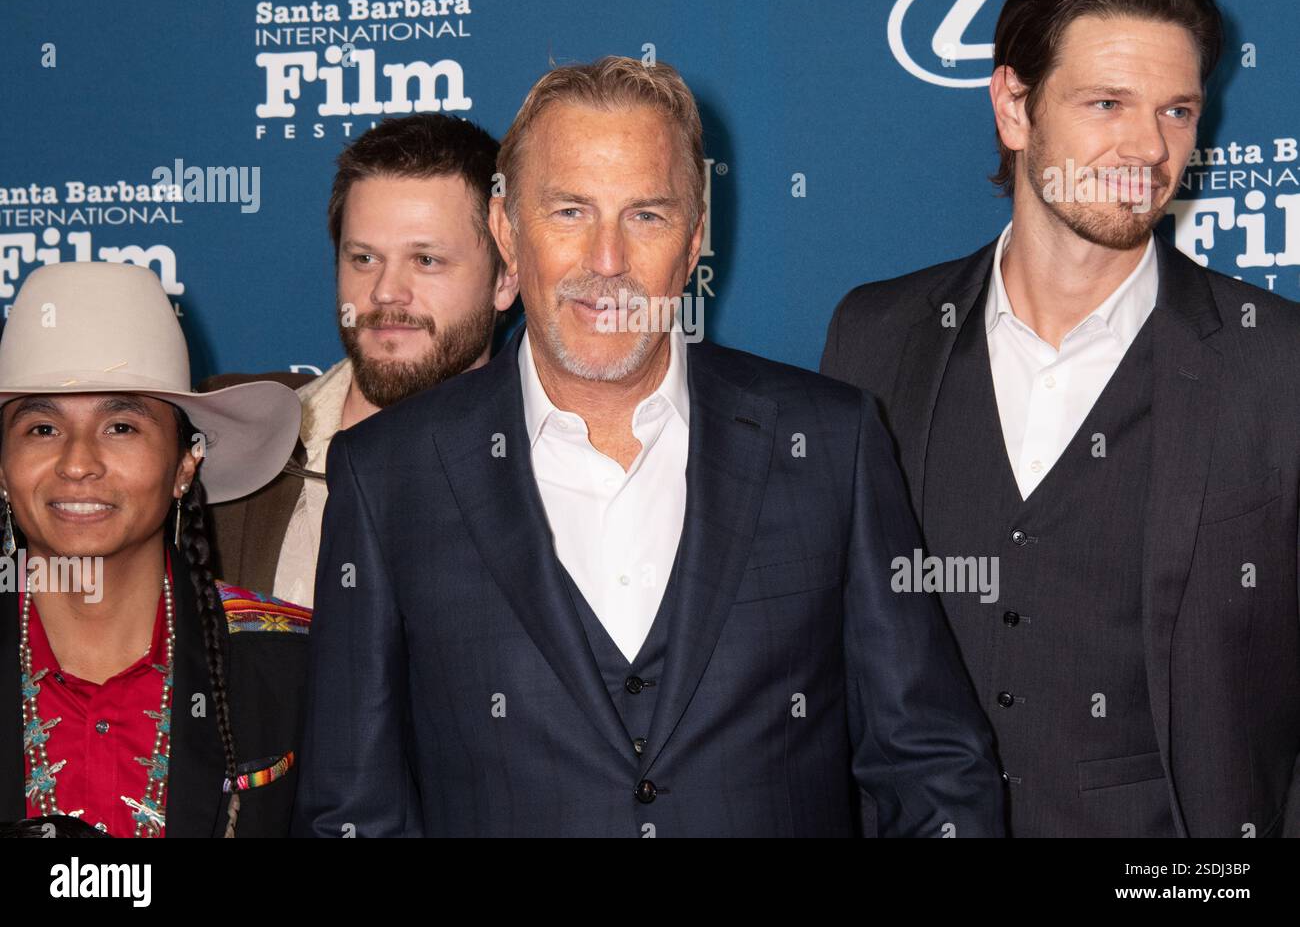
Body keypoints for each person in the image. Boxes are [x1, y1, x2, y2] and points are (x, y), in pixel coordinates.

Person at [293, 56, 1004, 837]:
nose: (607, 261)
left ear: (696, 238)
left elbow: (932, 766)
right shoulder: (390, 476)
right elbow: (349, 813)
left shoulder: (829, 441)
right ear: (506, 230)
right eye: (569, 211)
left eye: (647, 216)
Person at [822, 0, 1300, 838]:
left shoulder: (1277, 364)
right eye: (1106, 103)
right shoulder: (875, 335)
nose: (1149, 147)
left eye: (1177, 111)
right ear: (1013, 107)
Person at [0, 262, 310, 837]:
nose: (78, 463)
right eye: (42, 429)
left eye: (121, 426)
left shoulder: (297, 664)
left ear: (184, 464)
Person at [203, 113, 518, 605]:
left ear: (505, 279)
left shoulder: (555, 469)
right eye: (364, 259)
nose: (386, 292)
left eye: (426, 260)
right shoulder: (228, 431)